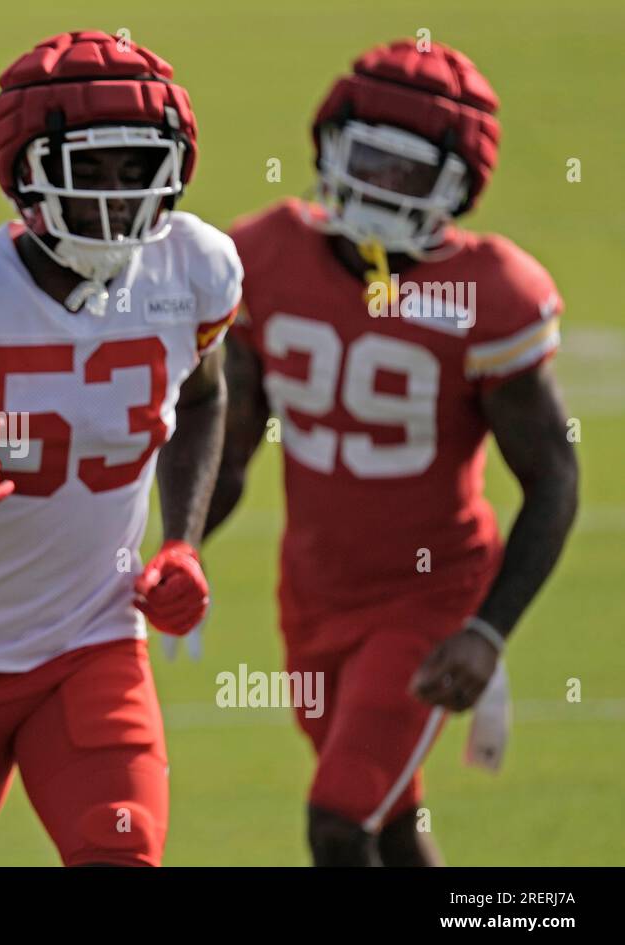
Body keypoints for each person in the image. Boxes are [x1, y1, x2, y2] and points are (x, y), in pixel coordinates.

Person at [206, 40, 578, 865]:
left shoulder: (490, 292)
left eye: (410, 172)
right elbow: (229, 447)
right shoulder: (265, 255)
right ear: (329, 147)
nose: (382, 186)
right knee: (392, 826)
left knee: (339, 823)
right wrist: (174, 549)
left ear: (456, 186)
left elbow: (554, 477)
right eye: (369, 159)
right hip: (310, 598)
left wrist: (487, 629)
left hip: (430, 598)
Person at [0, 31, 243, 866]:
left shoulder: (193, 269)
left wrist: (184, 541)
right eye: (90, 170)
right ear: (24, 170)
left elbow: (202, 394)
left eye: (137, 168)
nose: (120, 196)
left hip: (89, 639)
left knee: (120, 850)